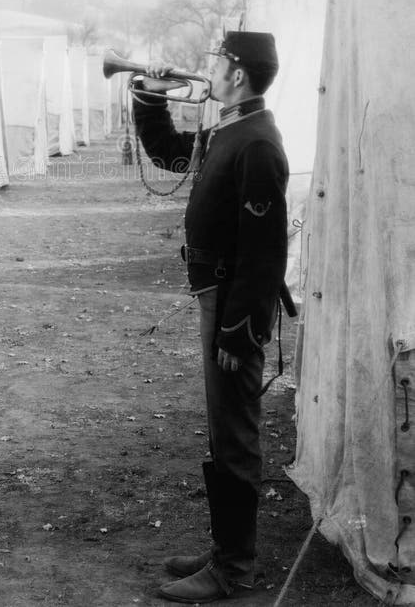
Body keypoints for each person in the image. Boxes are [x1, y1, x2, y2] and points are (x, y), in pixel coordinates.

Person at [132, 31, 289, 604]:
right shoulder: (231, 129)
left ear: (238, 73)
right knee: (224, 432)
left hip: (231, 305)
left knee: (235, 433)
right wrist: (151, 96)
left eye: (219, 61)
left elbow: (265, 252)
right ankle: (227, 549)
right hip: (216, 296)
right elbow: (170, 156)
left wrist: (239, 330)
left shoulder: (257, 142)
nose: (211, 68)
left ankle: (234, 568)